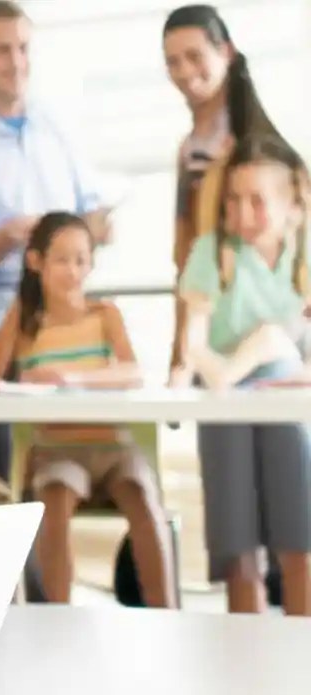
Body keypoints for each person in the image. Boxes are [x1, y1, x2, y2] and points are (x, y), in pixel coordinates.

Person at [0, 0, 112, 489]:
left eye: (23, 48)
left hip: (67, 326)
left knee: (75, 457)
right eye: (2, 50)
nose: (16, 61)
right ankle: (13, 565)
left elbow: (92, 212)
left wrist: (93, 228)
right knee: (10, 465)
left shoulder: (59, 132)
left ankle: (51, 566)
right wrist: (11, 236)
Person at [0, 213, 177, 608]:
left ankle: (166, 611)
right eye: (62, 260)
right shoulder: (24, 320)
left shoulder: (105, 315)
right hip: (56, 447)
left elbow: (132, 371)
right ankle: (58, 617)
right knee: (54, 494)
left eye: (81, 260)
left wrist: (70, 377)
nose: (72, 271)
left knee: (142, 496)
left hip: (113, 446)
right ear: (36, 262)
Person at [162, 2, 289, 608]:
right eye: (172, 62)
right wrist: (180, 359)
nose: (184, 71)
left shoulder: (261, 150)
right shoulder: (190, 146)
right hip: (215, 358)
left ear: (227, 53)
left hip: (275, 366)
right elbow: (185, 261)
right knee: (235, 531)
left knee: (294, 531)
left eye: (195, 56)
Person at [177, 135, 311, 616]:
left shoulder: (303, 255)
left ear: (293, 206)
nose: (243, 210)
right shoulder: (212, 253)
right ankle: (247, 659)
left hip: (284, 394)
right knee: (237, 543)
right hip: (224, 399)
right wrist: (217, 374)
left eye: (258, 200)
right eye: (234, 199)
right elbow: (193, 343)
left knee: (301, 536)